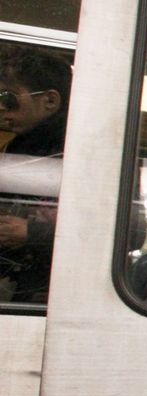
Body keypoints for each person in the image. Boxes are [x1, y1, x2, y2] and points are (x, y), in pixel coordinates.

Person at [0, 48, 71, 304]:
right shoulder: (13, 149)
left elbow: (131, 231)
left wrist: (34, 233)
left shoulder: (87, 154)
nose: (3, 111)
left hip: (62, 292)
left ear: (49, 101)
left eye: (9, 99)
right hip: (18, 288)